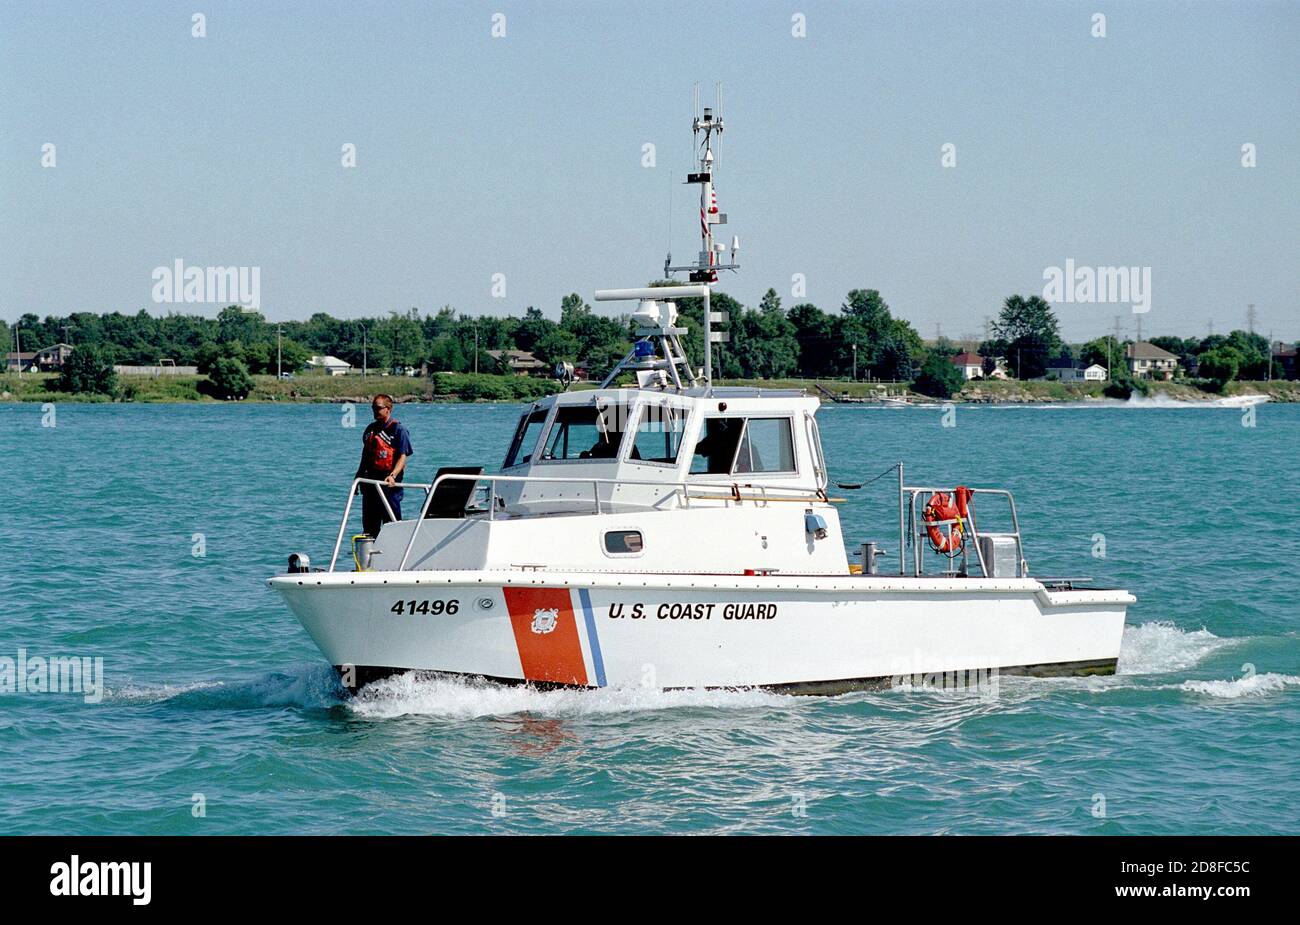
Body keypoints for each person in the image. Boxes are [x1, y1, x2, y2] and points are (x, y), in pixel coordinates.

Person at [355, 395, 413, 537]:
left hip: (389, 483)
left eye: (379, 408)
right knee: (370, 525)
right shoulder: (370, 429)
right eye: (373, 408)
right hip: (371, 483)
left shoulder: (399, 430)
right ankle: (370, 550)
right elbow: (366, 455)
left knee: (391, 522)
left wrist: (393, 476)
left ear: (388, 409)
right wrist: (358, 476)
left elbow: (403, 456)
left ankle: (396, 549)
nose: (375, 411)